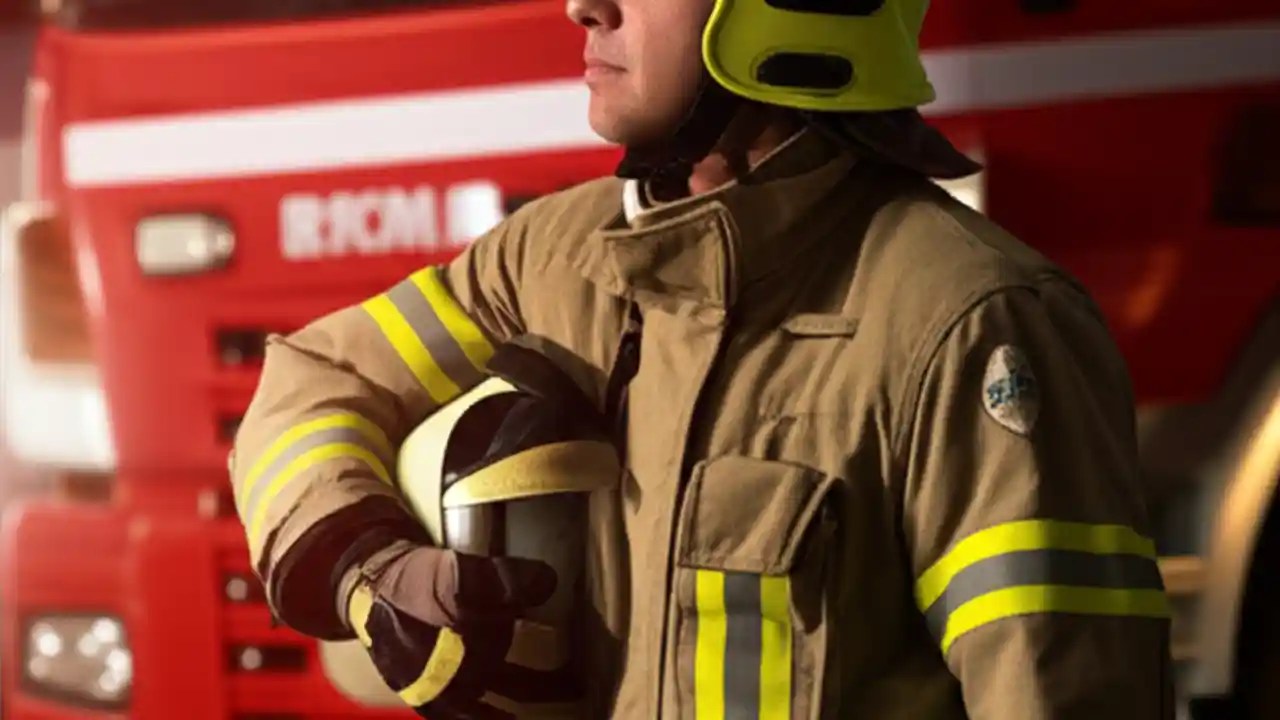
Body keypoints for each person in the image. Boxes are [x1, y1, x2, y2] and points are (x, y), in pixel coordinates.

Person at [228, 0, 1176, 716]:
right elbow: (315, 380)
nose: (584, 7)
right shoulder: (553, 262)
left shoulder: (970, 324)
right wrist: (368, 564)